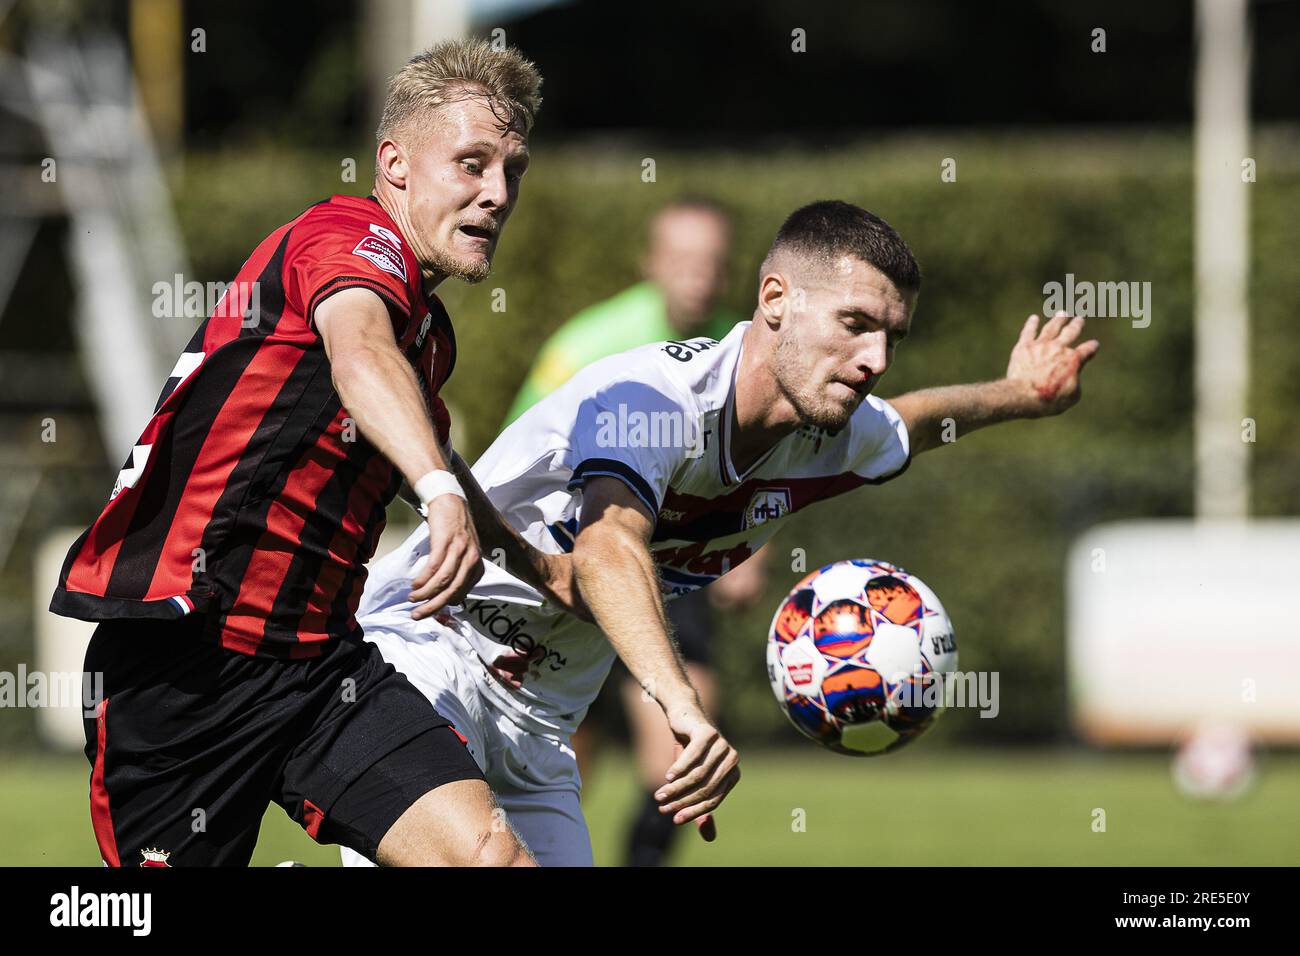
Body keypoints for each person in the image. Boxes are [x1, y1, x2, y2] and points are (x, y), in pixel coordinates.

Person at [341, 199, 1099, 867]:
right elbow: (608, 545)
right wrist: (683, 707)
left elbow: (916, 423)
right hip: (427, 645)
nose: (874, 360)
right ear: (776, 298)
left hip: (541, 720)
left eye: (891, 337)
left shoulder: (833, 430)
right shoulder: (656, 397)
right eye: (856, 324)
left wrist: (1021, 394)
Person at [49, 38, 570, 867]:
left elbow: (417, 437)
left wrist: (534, 563)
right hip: (183, 663)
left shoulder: (428, 337)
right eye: (471, 164)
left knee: (490, 860)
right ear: (394, 164)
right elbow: (359, 351)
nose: (497, 194)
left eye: (513, 170)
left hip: (323, 669)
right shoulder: (345, 238)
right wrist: (437, 491)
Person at [504, 197, 765, 865]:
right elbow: (516, 466)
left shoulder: (742, 350)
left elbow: (754, 469)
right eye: (682, 261)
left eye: (711, 263)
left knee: (684, 756)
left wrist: (744, 551)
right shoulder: (590, 344)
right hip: (574, 571)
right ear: (651, 263)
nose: (698, 277)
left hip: (670, 576)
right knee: (558, 767)